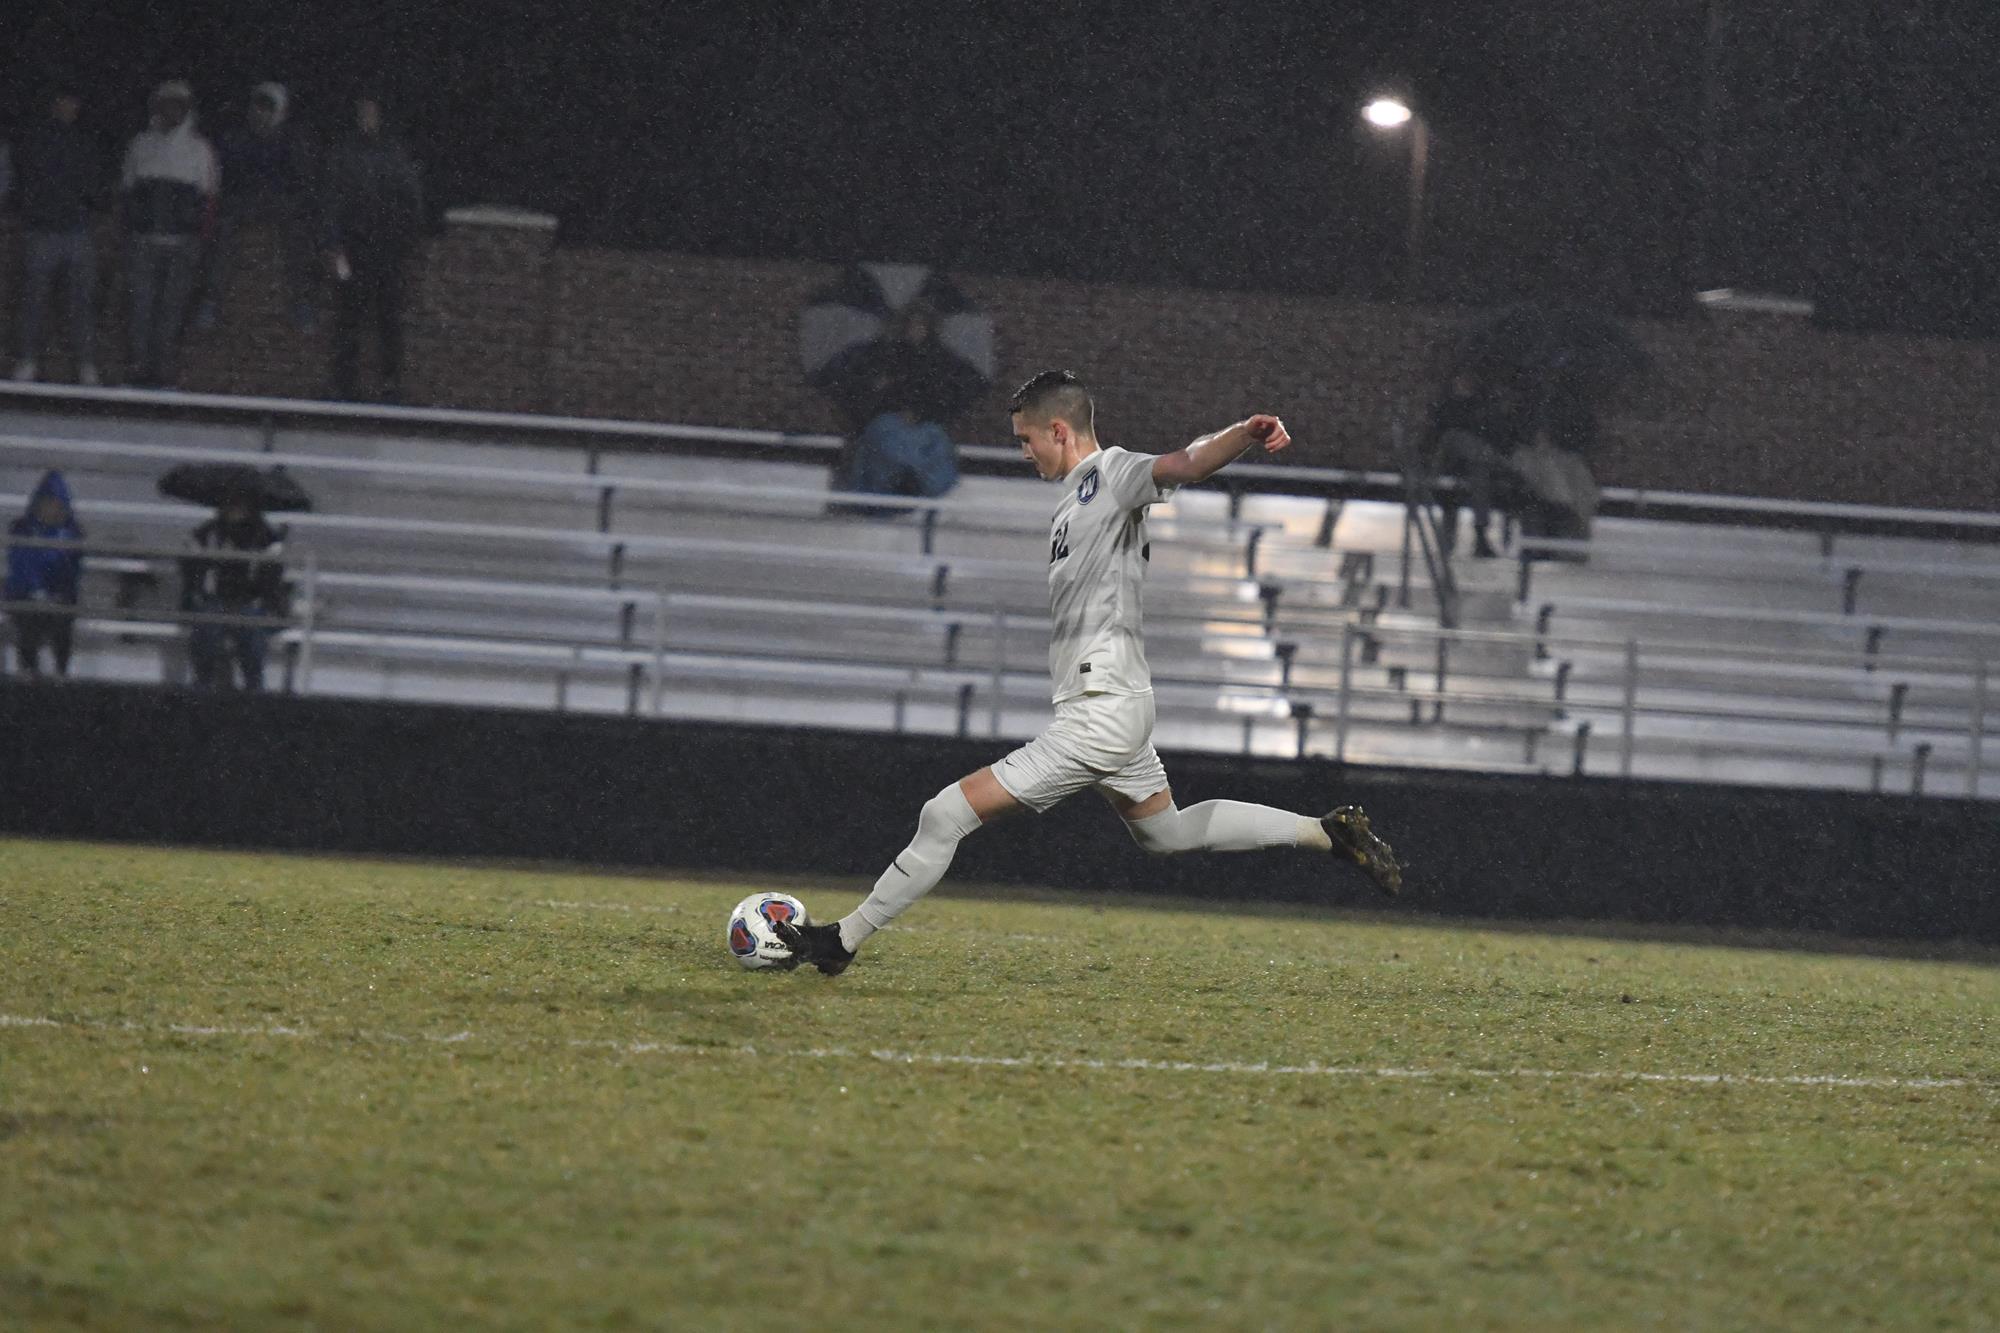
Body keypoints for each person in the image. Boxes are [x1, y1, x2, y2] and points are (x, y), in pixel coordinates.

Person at [775, 370, 1404, 976]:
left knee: (945, 814)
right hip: (1112, 701)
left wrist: (1244, 432)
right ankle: (1328, 833)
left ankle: (841, 941)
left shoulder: (1111, 474)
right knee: (1165, 833)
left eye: (1025, 439)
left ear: (1058, 430)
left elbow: (1184, 463)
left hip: (1102, 709)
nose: (1023, 452)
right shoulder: (1073, 503)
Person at [321, 94, 423, 402]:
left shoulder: (394, 155)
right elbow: (331, 201)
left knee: (389, 316)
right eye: (362, 113)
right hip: (352, 248)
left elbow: (411, 200)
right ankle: (344, 383)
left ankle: (390, 383)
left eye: (371, 113)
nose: (366, 119)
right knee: (348, 315)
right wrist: (333, 244)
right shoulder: (343, 154)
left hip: (387, 249)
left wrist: (406, 241)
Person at [196, 82, 320, 333]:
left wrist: (290, 196)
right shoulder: (237, 137)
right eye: (258, 106)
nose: (260, 113)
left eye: (267, 107)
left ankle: (301, 302)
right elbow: (225, 173)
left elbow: (303, 179)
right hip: (244, 200)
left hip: (279, 201)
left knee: (297, 236)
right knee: (222, 232)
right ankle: (210, 300)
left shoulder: (291, 139)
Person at [121, 80, 219, 388]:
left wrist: (200, 241)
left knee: (172, 312)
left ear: (187, 109)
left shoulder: (200, 150)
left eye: (178, 105)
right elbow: (127, 193)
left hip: (182, 245)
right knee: (140, 309)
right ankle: (138, 371)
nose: (172, 110)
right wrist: (129, 231)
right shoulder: (140, 145)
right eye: (166, 104)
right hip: (144, 242)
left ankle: (164, 375)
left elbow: (209, 200)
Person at [9, 83, 105, 386]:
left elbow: (95, 186)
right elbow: (23, 182)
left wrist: (87, 207)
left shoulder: (84, 143)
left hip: (77, 232)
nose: (69, 107)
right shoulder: (35, 140)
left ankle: (85, 365)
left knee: (81, 304)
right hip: (42, 232)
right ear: (54, 105)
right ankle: (27, 361)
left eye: (73, 103)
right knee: (34, 301)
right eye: (64, 102)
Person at [179, 497, 287, 691]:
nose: (235, 510)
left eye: (240, 505)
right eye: (230, 504)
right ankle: (202, 686)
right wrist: (207, 561)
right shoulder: (209, 532)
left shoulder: (265, 535)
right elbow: (192, 570)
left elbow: (270, 580)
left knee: (253, 642)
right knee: (206, 635)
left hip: (249, 601)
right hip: (214, 600)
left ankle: (254, 692)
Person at [5, 470, 85, 678]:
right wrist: (36, 591)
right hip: (26, 596)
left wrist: (56, 593)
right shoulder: (23, 530)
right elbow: (21, 566)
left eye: (57, 505)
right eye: (47, 504)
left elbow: (71, 571)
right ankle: (29, 672)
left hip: (58, 598)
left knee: (61, 623)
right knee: (28, 622)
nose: (51, 510)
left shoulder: (71, 534)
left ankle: (60, 672)